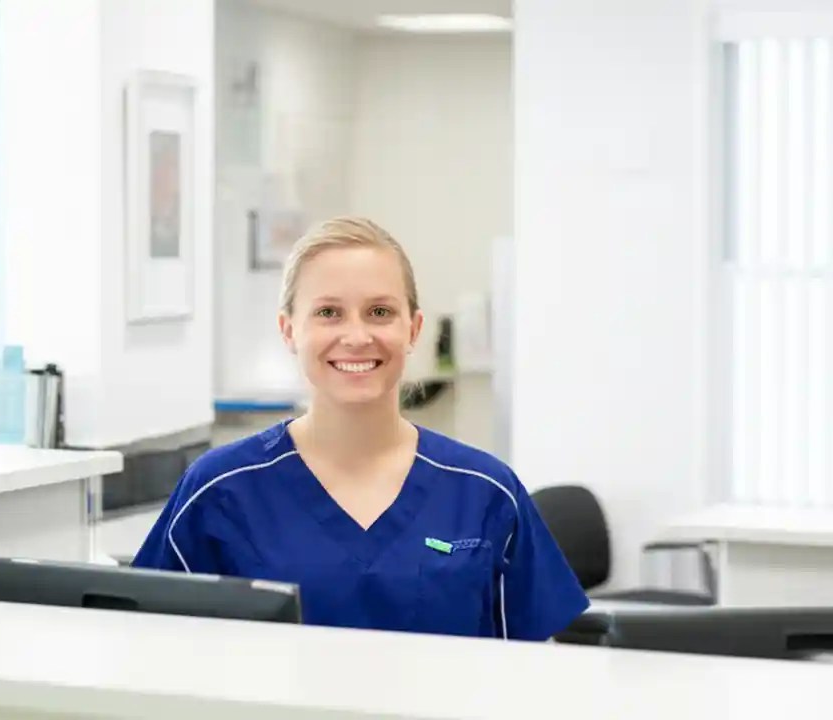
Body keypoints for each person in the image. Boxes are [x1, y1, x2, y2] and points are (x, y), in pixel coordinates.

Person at [132, 216, 589, 640]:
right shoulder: (219, 491)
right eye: (329, 312)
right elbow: (148, 652)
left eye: (379, 312)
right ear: (288, 330)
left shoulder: (486, 493)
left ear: (413, 329)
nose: (356, 336)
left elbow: (535, 675)